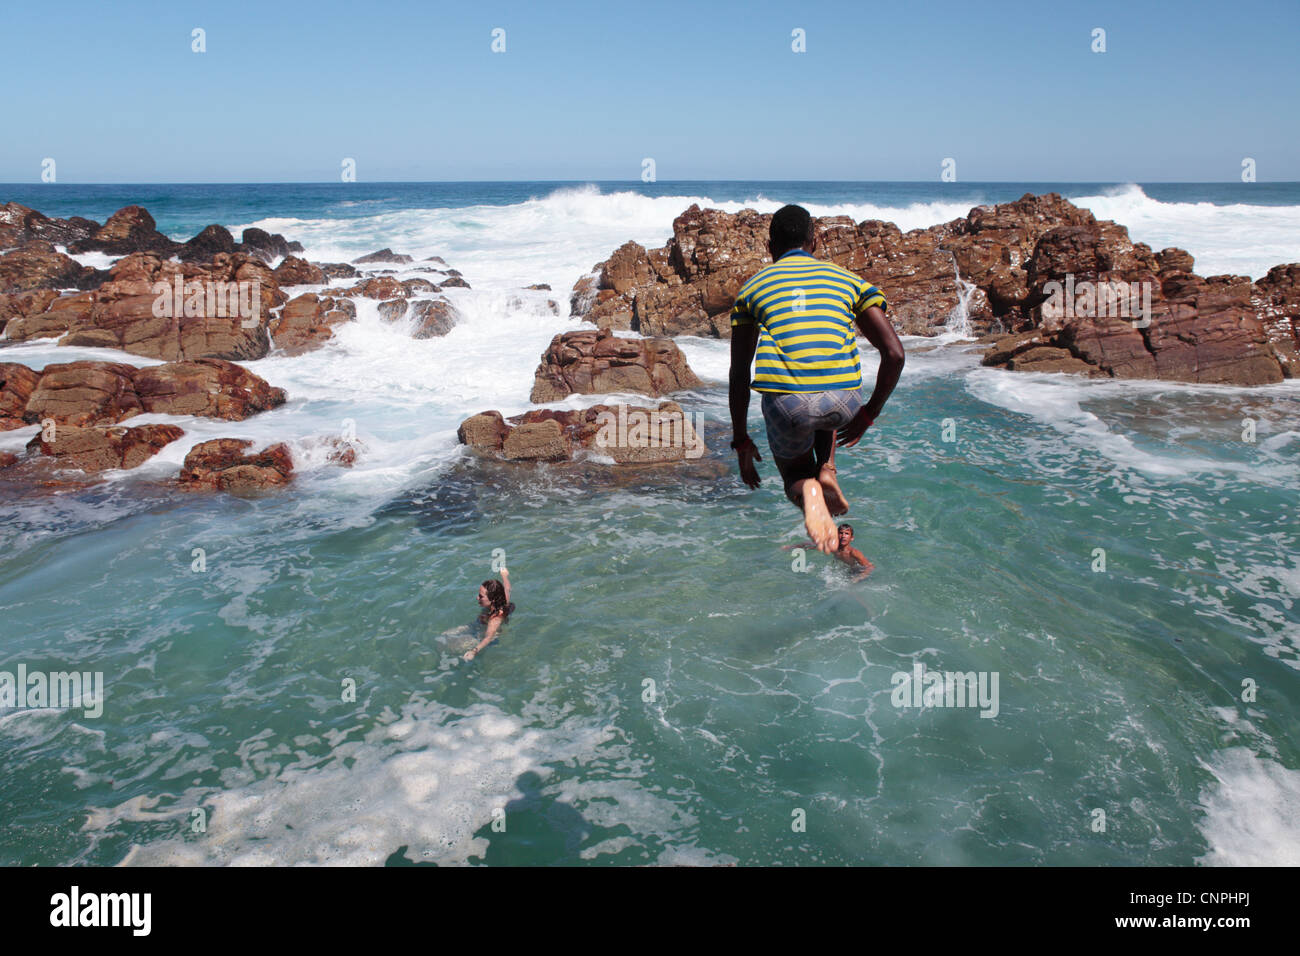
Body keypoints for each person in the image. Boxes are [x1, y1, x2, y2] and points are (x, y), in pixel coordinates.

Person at [729, 204, 905, 554]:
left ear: (770, 248)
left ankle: (809, 488)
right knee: (825, 397)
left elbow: (739, 372)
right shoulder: (848, 280)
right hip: (845, 402)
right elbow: (895, 354)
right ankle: (827, 469)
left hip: (789, 405)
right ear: (816, 241)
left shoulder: (752, 289)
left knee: (794, 474)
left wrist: (740, 439)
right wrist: (870, 412)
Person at [783, 523, 875, 581]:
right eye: (841, 533)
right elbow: (810, 544)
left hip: (856, 571)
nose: (843, 536)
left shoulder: (853, 553)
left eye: (846, 534)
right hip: (844, 568)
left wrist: (858, 578)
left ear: (852, 538)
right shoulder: (832, 547)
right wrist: (791, 547)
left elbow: (870, 567)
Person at [463, 567, 513, 661]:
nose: (477, 598)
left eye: (481, 596)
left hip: (493, 634)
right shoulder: (502, 598)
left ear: (492, 599)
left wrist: (474, 651)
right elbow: (507, 588)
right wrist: (504, 575)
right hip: (486, 619)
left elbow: (488, 637)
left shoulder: (495, 619)